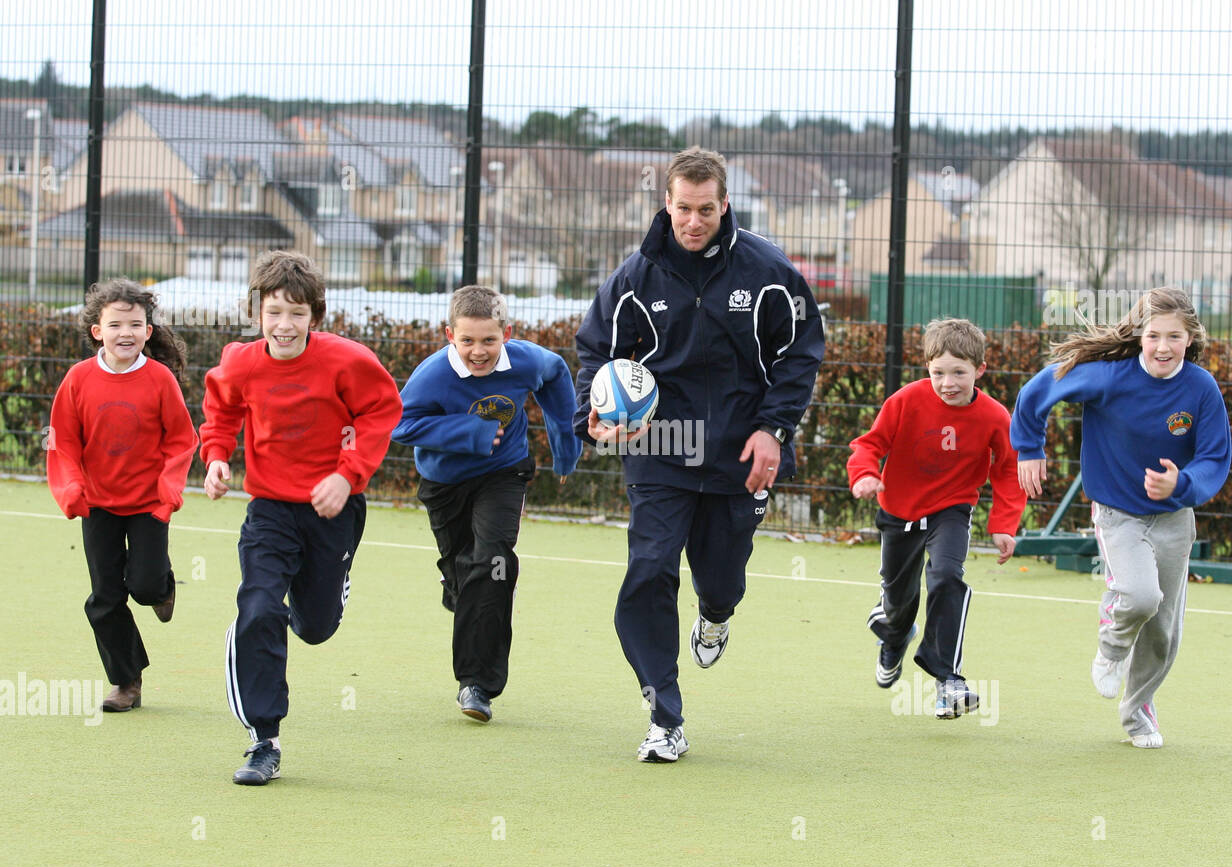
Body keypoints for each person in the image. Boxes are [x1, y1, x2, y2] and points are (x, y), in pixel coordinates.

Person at [574, 146, 824, 762]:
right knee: (649, 570)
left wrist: (774, 429)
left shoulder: (769, 270)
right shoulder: (634, 277)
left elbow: (801, 352)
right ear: (667, 202)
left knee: (720, 579)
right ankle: (664, 716)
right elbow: (596, 352)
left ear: (725, 204)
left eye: (705, 210)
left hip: (741, 451)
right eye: (683, 208)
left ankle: (715, 613)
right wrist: (593, 416)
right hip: (660, 448)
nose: (693, 221)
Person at [200, 250, 402, 785]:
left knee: (314, 627)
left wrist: (347, 474)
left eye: (296, 312)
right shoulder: (241, 362)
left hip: (333, 508)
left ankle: (334, 585)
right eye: (273, 312)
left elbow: (381, 411)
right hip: (269, 509)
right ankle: (263, 740)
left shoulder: (347, 361)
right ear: (256, 313)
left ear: (315, 314)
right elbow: (221, 408)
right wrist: (216, 456)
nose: (284, 325)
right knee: (259, 607)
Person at [1011, 287, 1231, 749]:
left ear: (1191, 338)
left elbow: (1214, 458)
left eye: (1174, 336)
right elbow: (1037, 392)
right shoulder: (1108, 376)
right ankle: (1111, 647)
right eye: (1154, 336)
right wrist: (1029, 448)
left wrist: (1181, 485)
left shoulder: (1202, 388)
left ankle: (1139, 710)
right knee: (1139, 595)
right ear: (1139, 336)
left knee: (1163, 629)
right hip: (1118, 515)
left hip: (1174, 518)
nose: (1163, 347)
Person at [392, 285, 581, 723]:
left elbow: (556, 375)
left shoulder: (528, 361)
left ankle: (476, 683)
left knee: (494, 562)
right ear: (449, 336)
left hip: (504, 473)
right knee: (464, 571)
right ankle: (456, 583)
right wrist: (470, 433)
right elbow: (399, 424)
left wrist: (565, 448)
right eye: (467, 341)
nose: (478, 352)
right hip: (444, 484)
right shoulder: (433, 375)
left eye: (489, 340)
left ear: (507, 334)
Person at [846, 317, 1025, 717]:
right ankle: (893, 635)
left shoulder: (995, 416)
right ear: (926, 367)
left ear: (980, 370)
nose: (948, 383)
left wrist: (1003, 525)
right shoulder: (905, 400)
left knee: (946, 576)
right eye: (938, 372)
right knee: (899, 604)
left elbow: (1009, 469)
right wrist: (865, 475)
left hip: (952, 510)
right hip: (899, 513)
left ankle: (948, 680)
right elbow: (868, 445)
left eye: (959, 373)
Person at [46, 279, 198, 713]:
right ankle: (126, 681)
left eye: (134, 324)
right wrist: (71, 487)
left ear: (148, 331)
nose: (125, 333)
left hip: (149, 504)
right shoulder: (78, 379)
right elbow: (63, 442)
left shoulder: (160, 379)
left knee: (145, 586)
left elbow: (181, 440)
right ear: (98, 331)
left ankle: (163, 587)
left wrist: (168, 490)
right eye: (115, 325)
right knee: (105, 598)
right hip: (98, 505)